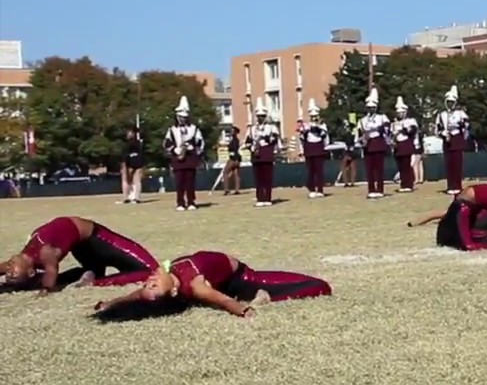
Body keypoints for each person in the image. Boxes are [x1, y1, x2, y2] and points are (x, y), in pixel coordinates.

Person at [92, 251, 331, 319]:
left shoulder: (166, 271)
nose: (149, 281)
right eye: (153, 287)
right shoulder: (196, 285)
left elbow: (137, 296)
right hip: (247, 279)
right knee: (319, 286)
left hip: (232, 279)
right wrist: (243, 310)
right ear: (173, 292)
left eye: (148, 284)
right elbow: (223, 301)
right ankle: (263, 297)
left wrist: (112, 303)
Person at [2, 216, 158, 293]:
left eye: (9, 266)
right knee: (153, 271)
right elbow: (50, 276)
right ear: (30, 272)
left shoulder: (32, 251)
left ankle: (88, 276)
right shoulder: (43, 253)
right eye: (13, 274)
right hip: (96, 242)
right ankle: (94, 282)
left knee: (144, 270)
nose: (9, 269)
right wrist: (45, 290)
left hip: (92, 240)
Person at [121, 126, 145, 204]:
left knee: (126, 180)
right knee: (137, 181)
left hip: (130, 162)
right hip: (139, 162)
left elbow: (124, 155)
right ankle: (136, 197)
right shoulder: (139, 143)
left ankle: (126, 197)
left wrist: (124, 164)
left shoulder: (126, 144)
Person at [220, 125, 244, 196]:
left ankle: (226, 189)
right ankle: (237, 189)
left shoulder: (234, 140)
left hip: (233, 159)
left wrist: (235, 159)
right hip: (237, 159)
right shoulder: (236, 140)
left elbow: (234, 150)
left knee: (225, 172)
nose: (231, 132)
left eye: (232, 131)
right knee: (236, 174)